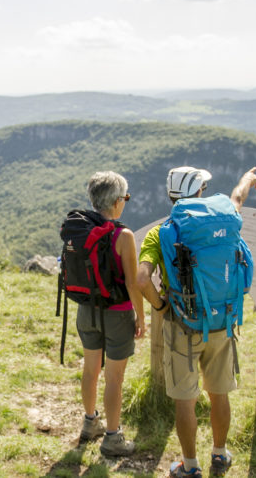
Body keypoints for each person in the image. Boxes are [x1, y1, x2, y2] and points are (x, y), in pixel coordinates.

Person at [137, 166, 256, 477]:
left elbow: (141, 278)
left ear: (171, 194)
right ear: (201, 192)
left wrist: (161, 305)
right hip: (222, 319)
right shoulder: (226, 217)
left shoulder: (160, 232)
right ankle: (220, 454)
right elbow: (237, 197)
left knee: (185, 400)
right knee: (219, 393)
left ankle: (190, 467)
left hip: (183, 324)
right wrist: (246, 180)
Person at [75, 171, 147, 457]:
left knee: (90, 369)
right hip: (117, 315)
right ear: (117, 202)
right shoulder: (124, 236)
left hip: (86, 310)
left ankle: (90, 422)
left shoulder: (79, 229)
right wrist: (141, 317)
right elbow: (132, 282)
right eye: (125, 198)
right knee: (114, 378)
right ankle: (113, 437)